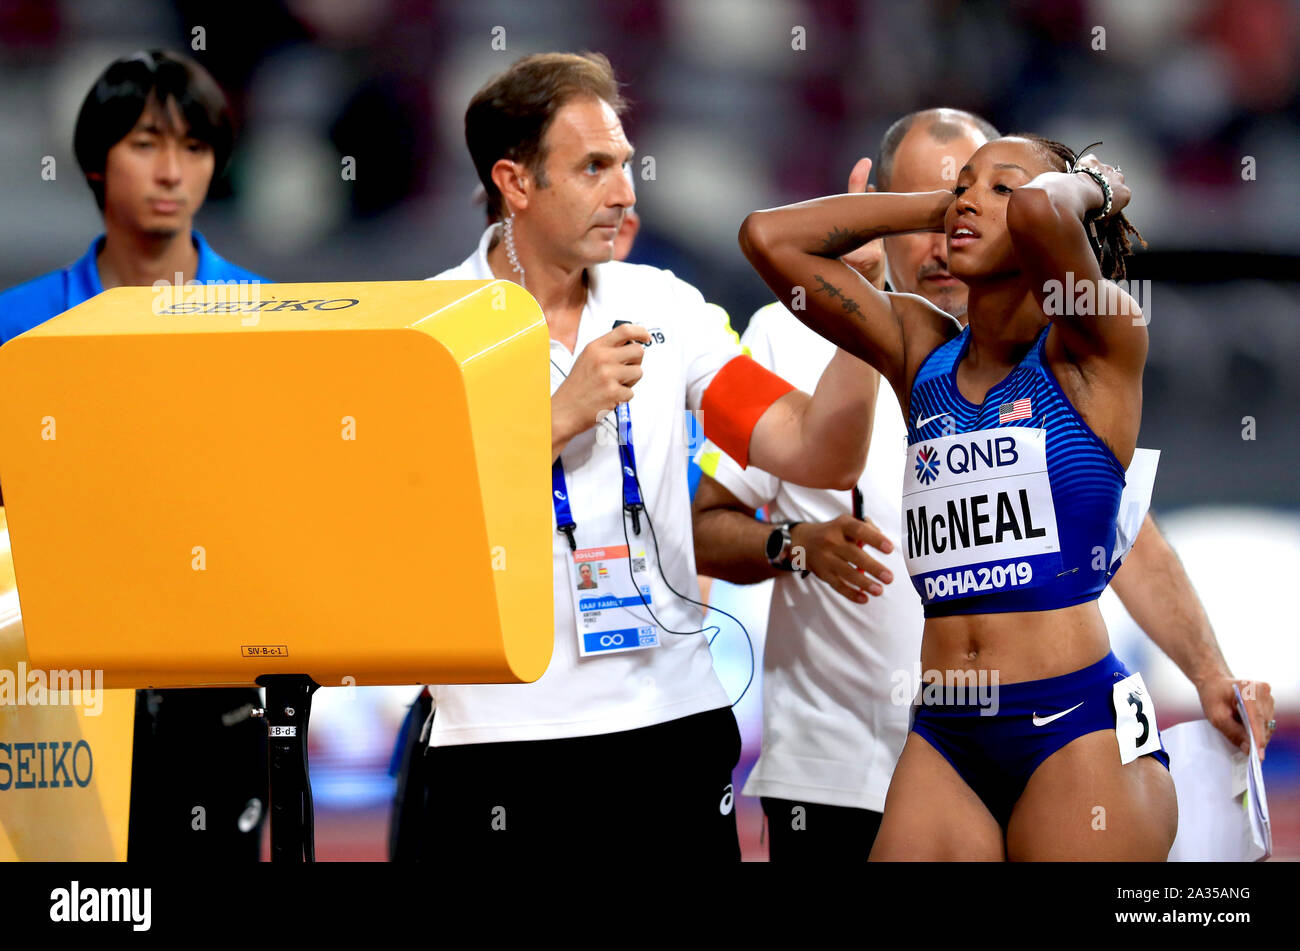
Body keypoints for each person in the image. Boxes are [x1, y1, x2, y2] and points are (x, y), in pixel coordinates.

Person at [694, 108, 1275, 860]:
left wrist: (1091, 186)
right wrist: (941, 206)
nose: (967, 202)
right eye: (959, 190)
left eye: (997, 190)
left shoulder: (1096, 341)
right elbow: (766, 236)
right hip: (943, 732)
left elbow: (1135, 540)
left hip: (1069, 722)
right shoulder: (918, 349)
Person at [417, 51, 879, 862]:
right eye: (593, 167)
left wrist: (862, 312)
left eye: (624, 164)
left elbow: (817, 450)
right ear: (516, 183)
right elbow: (412, 527)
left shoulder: (667, 305)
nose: (626, 192)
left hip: (673, 725)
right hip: (499, 734)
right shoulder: (432, 329)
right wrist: (556, 418)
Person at [0, 50, 267, 860]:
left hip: (216, 673)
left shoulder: (267, 317)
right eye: (146, 143)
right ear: (94, 158)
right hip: (61, 678)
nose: (171, 171)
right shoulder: (21, 324)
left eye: (193, 147)